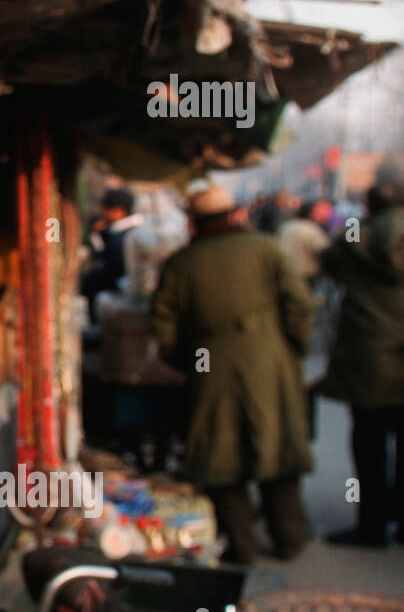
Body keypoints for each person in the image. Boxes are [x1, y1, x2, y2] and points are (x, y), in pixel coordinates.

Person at [151, 185, 315, 564]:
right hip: (270, 359)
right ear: (235, 215)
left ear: (194, 222)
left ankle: (241, 548)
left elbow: (163, 325)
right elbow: (300, 305)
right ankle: (289, 538)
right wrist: (291, 350)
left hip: (209, 363)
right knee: (278, 451)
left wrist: (189, 363)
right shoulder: (267, 249)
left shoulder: (182, 263)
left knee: (220, 458)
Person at [317, 183, 404, 548]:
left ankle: (371, 524)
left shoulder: (357, 234)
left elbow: (329, 259)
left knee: (369, 443)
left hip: (369, 357)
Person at [81, 187, 142, 317]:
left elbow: (107, 270)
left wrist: (82, 283)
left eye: (107, 209)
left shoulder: (125, 237)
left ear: (120, 211)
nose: (104, 213)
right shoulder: (120, 232)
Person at [277, 200, 332, 285]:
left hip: (285, 271)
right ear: (311, 214)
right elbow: (324, 251)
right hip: (306, 274)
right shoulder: (312, 229)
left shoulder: (285, 226)